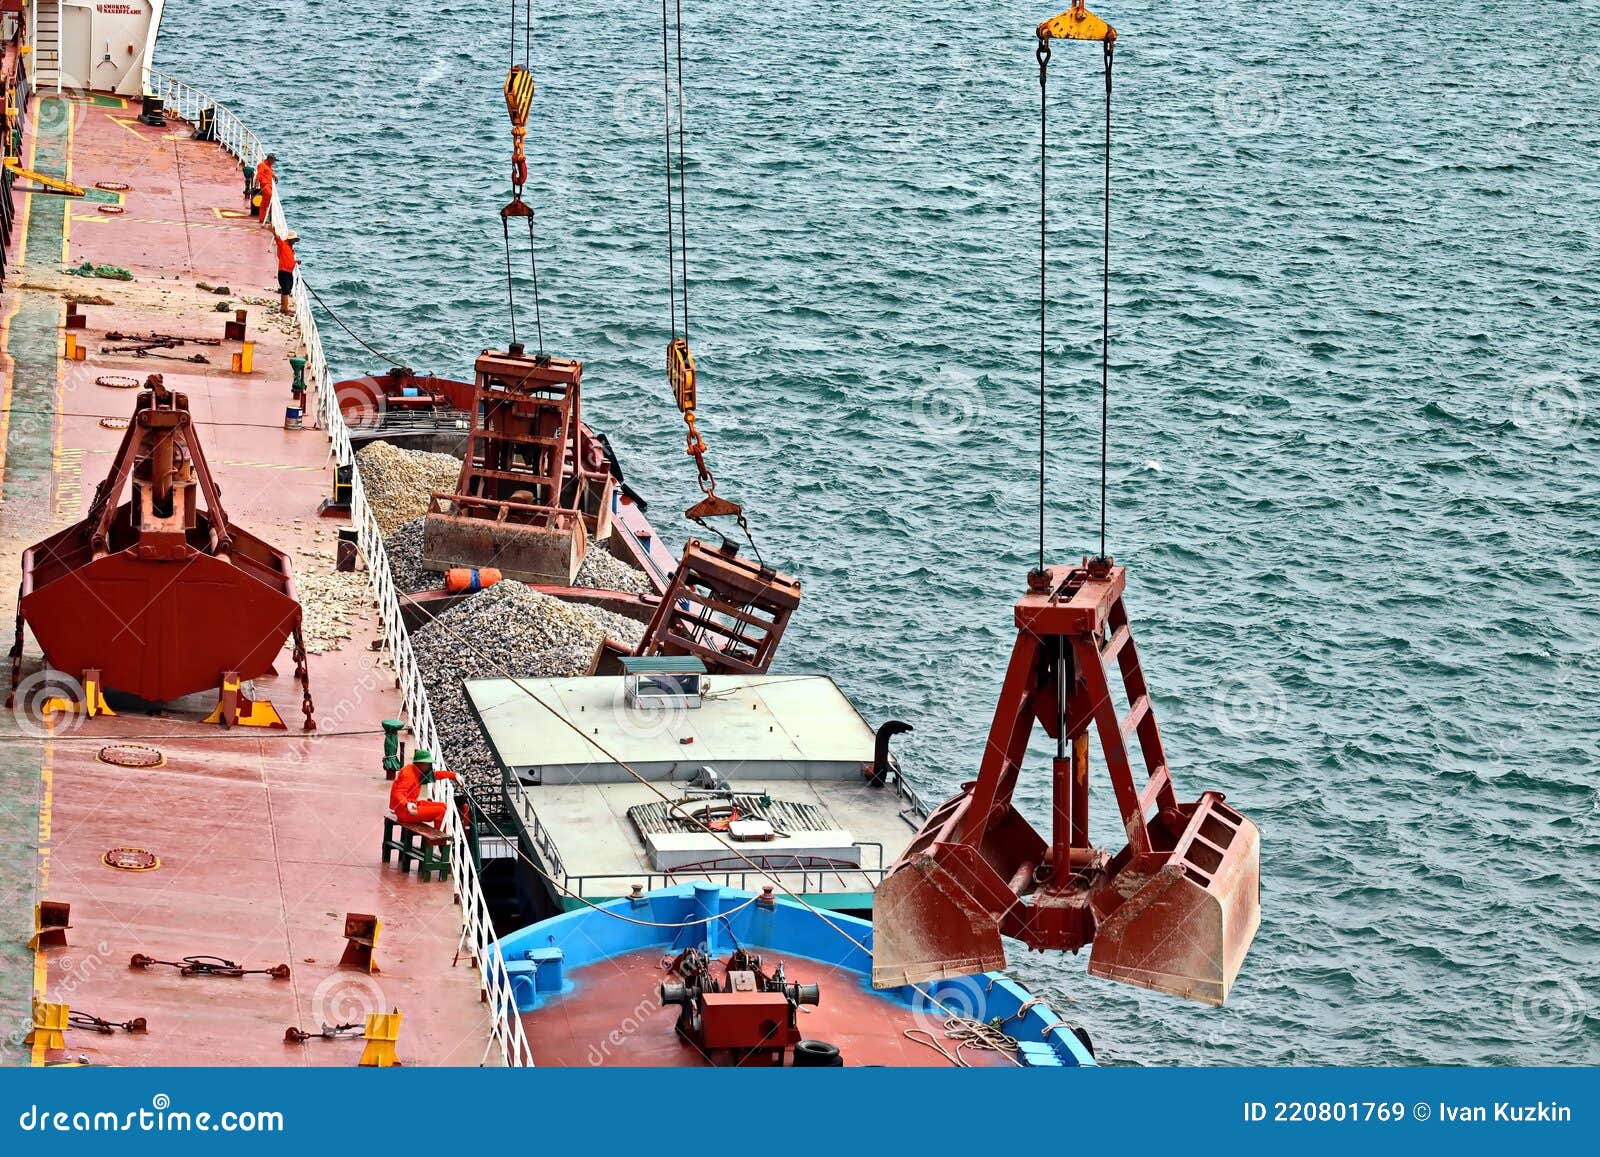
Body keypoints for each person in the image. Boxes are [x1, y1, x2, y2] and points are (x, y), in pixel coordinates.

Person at [388, 749, 457, 826]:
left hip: (411, 805)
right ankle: (439, 836)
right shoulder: (409, 775)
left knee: (443, 806)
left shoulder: (417, 770)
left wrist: (454, 775)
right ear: (420, 764)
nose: (429, 766)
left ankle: (440, 834)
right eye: (427, 764)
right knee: (441, 811)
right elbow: (399, 793)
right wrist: (407, 804)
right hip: (405, 812)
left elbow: (435, 775)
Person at [276, 229, 298, 314]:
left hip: (288, 271)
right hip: (284, 271)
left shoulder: (290, 248)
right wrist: (273, 231)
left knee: (286, 289)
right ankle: (285, 309)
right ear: (289, 239)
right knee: (286, 290)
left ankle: (283, 307)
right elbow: (278, 239)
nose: (294, 242)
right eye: (293, 240)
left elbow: (289, 259)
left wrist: (296, 261)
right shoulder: (283, 245)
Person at [255, 153, 276, 220]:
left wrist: (274, 176)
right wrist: (257, 183)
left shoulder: (269, 166)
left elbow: (269, 172)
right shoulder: (261, 165)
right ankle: (270, 216)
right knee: (269, 199)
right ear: (269, 159)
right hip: (265, 185)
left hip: (269, 185)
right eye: (273, 160)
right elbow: (259, 174)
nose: (274, 162)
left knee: (264, 202)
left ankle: (262, 218)